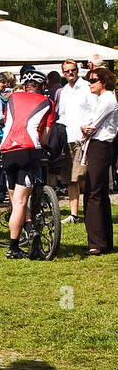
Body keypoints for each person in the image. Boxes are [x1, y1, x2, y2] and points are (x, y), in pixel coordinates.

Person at [0, 69, 55, 259]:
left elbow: (8, 123)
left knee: (17, 202)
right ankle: (13, 247)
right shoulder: (48, 102)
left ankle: (30, 229)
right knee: (21, 201)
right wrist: (47, 148)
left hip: (6, 149)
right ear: (42, 86)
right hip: (29, 149)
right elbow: (45, 134)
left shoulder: (12, 99)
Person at [80, 66, 117, 255]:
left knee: (93, 193)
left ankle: (96, 243)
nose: (90, 84)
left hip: (100, 146)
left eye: (93, 80)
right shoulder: (105, 99)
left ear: (104, 81)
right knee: (99, 194)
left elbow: (91, 126)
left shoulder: (107, 99)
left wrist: (83, 127)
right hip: (100, 146)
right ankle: (103, 241)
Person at [55, 59, 93, 226]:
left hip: (81, 137)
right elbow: (62, 114)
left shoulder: (86, 88)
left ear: (77, 71)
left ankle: (90, 210)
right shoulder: (63, 91)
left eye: (73, 70)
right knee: (70, 177)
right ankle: (73, 213)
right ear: (63, 73)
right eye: (67, 71)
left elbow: (93, 111)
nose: (71, 73)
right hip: (68, 137)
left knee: (82, 176)